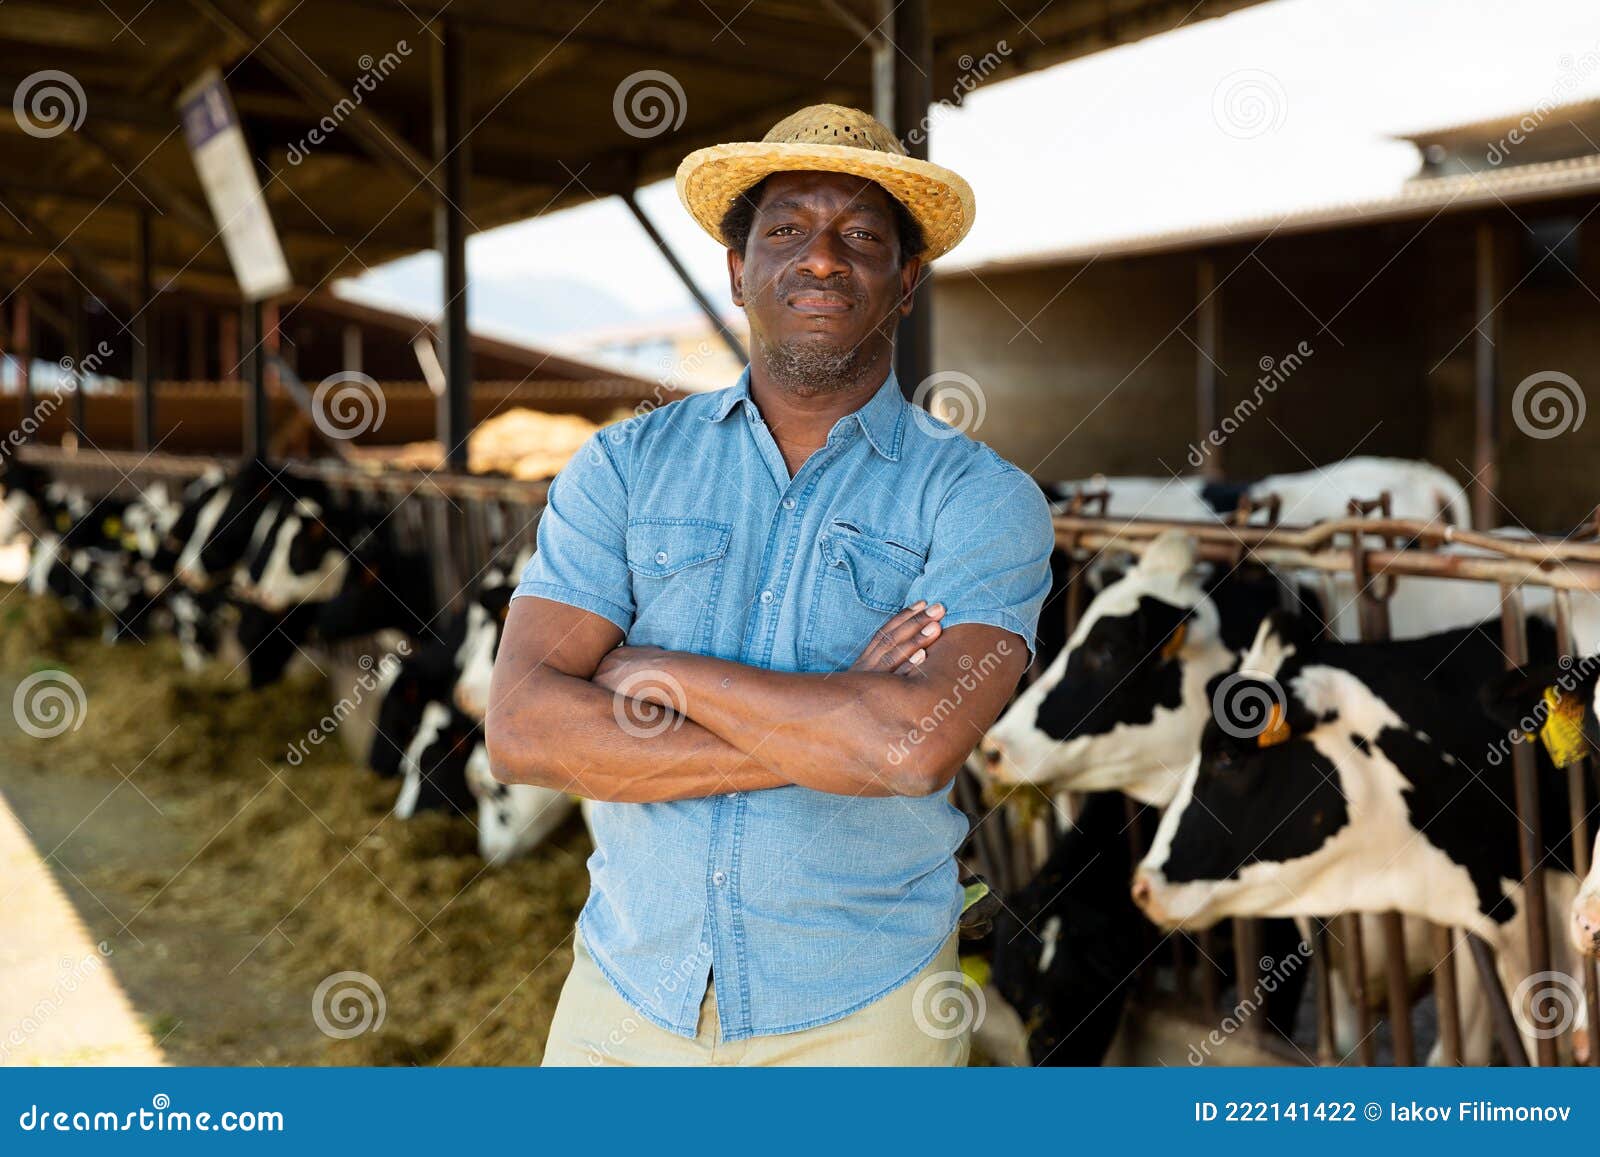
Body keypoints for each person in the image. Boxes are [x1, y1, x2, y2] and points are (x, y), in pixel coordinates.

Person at [486, 103, 1054, 1065]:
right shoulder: (621, 467)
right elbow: (524, 731)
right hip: (624, 1000)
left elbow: (913, 751)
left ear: (906, 281)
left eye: (863, 237)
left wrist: (648, 667)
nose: (823, 258)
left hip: (864, 1021)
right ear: (738, 269)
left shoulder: (983, 499)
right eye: (786, 229)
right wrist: (841, 726)